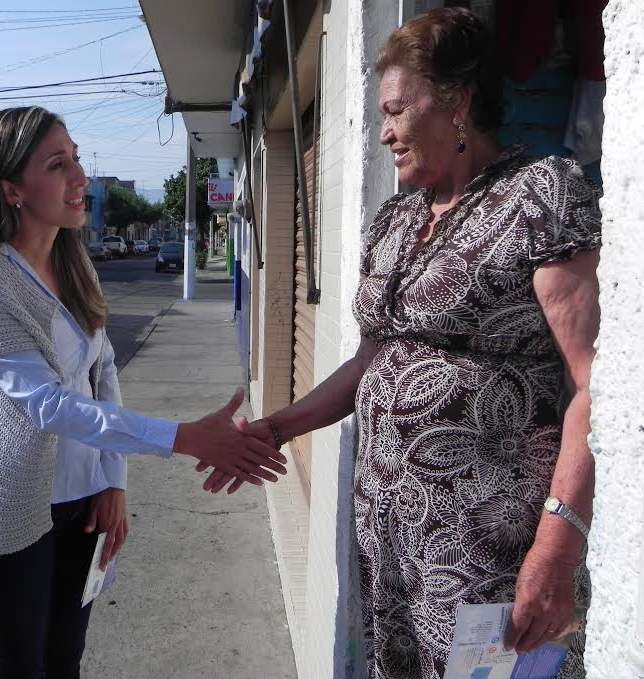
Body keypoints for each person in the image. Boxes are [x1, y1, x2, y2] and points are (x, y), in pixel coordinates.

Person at [202, 8, 600, 679]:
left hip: (487, 545)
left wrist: (557, 548)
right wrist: (277, 428)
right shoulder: (397, 217)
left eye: (395, 111)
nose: (384, 132)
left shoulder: (540, 197)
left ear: (457, 104)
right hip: (389, 541)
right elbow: (371, 360)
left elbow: (595, 385)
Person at [0, 105, 287, 679]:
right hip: (13, 510)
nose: (80, 177)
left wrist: (114, 481)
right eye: (57, 165)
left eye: (76, 159)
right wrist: (183, 437)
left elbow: (102, 373)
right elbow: (48, 406)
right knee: (17, 669)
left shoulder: (73, 260)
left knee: (65, 661)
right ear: (10, 189)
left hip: (84, 502)